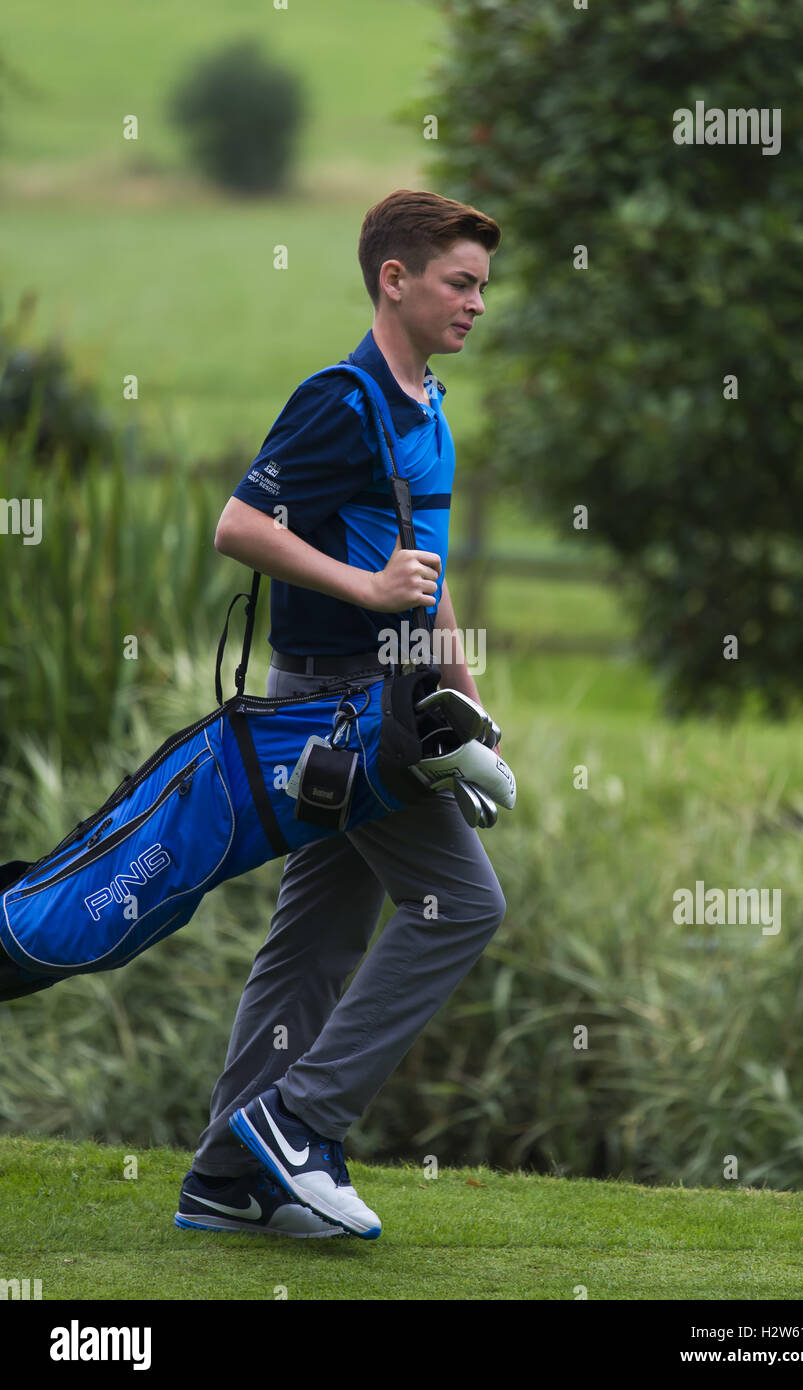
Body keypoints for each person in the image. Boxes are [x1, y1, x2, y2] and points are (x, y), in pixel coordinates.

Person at [174, 189, 506, 1241]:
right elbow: (237, 524)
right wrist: (364, 590)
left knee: (316, 938)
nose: (477, 304)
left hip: (393, 697)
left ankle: (227, 1177)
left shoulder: (429, 406)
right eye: (460, 282)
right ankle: (301, 1121)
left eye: (483, 287)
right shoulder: (341, 398)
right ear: (393, 280)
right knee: (461, 904)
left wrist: (466, 701)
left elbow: (431, 574)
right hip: (335, 701)